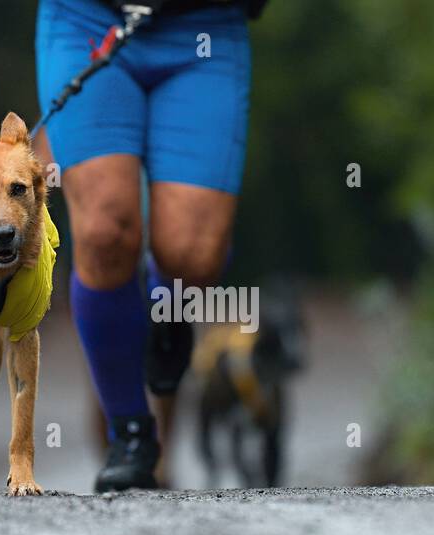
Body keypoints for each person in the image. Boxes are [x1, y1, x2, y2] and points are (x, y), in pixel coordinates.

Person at [34, 0, 266, 491]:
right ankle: (131, 434)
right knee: (103, 233)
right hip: (87, 21)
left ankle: (168, 311)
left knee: (193, 255)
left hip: (203, 27)